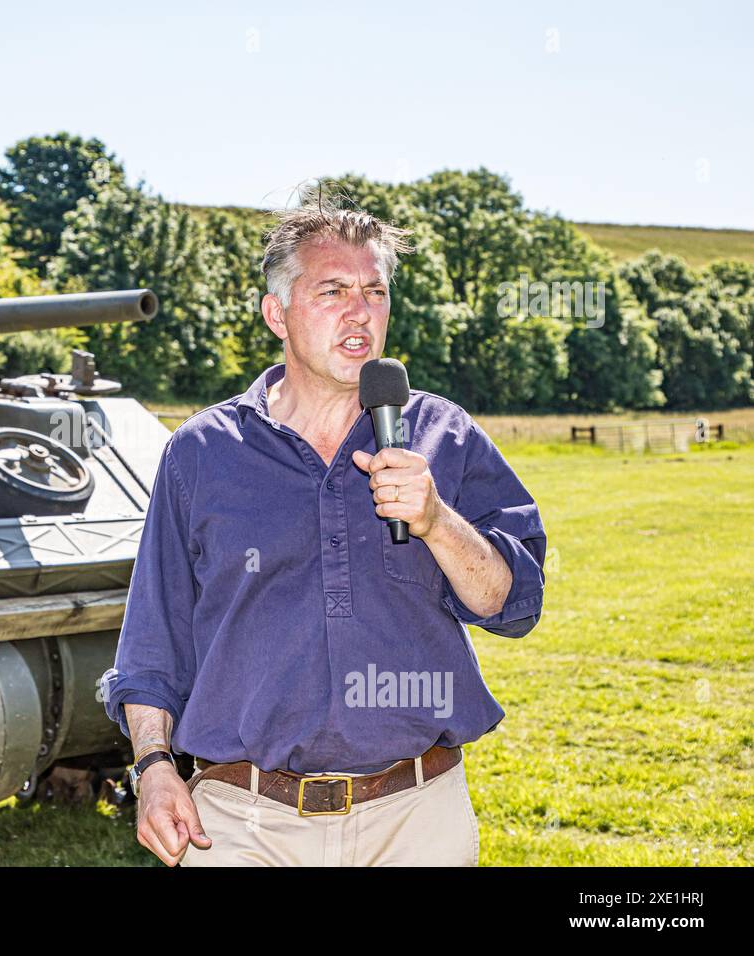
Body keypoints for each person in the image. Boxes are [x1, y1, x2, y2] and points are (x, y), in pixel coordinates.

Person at [100, 188, 546, 866]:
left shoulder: (443, 436)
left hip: (415, 818)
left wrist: (435, 522)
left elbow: (511, 604)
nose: (360, 311)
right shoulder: (201, 453)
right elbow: (152, 643)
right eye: (333, 291)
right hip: (241, 822)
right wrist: (155, 766)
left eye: (375, 291)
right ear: (276, 313)